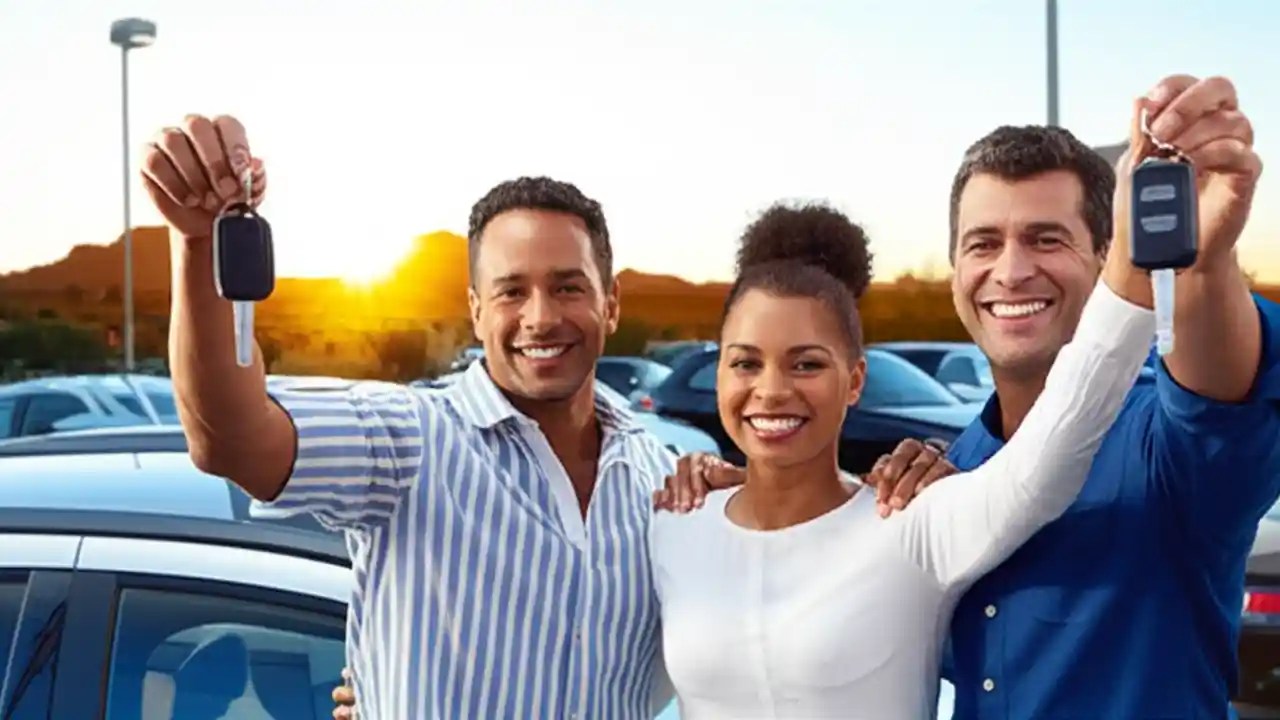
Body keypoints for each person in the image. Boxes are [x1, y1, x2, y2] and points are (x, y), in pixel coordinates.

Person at [141, 121, 731, 720]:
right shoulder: (409, 442)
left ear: (612, 303)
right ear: (476, 311)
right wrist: (198, 245)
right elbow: (230, 437)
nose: (540, 317)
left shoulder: (659, 484)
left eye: (568, 287)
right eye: (511, 292)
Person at [647, 193, 1156, 718]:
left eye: (806, 365)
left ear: (855, 381)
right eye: (745, 364)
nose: (771, 390)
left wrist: (1137, 256)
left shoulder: (912, 524)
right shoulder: (675, 524)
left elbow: (1050, 453)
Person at [869, 74, 1280, 718]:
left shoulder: (1162, 446)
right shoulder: (954, 470)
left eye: (1045, 238)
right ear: (956, 270)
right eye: (983, 243)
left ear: (1105, 254)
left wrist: (1201, 261)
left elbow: (1220, 390)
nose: (1010, 271)